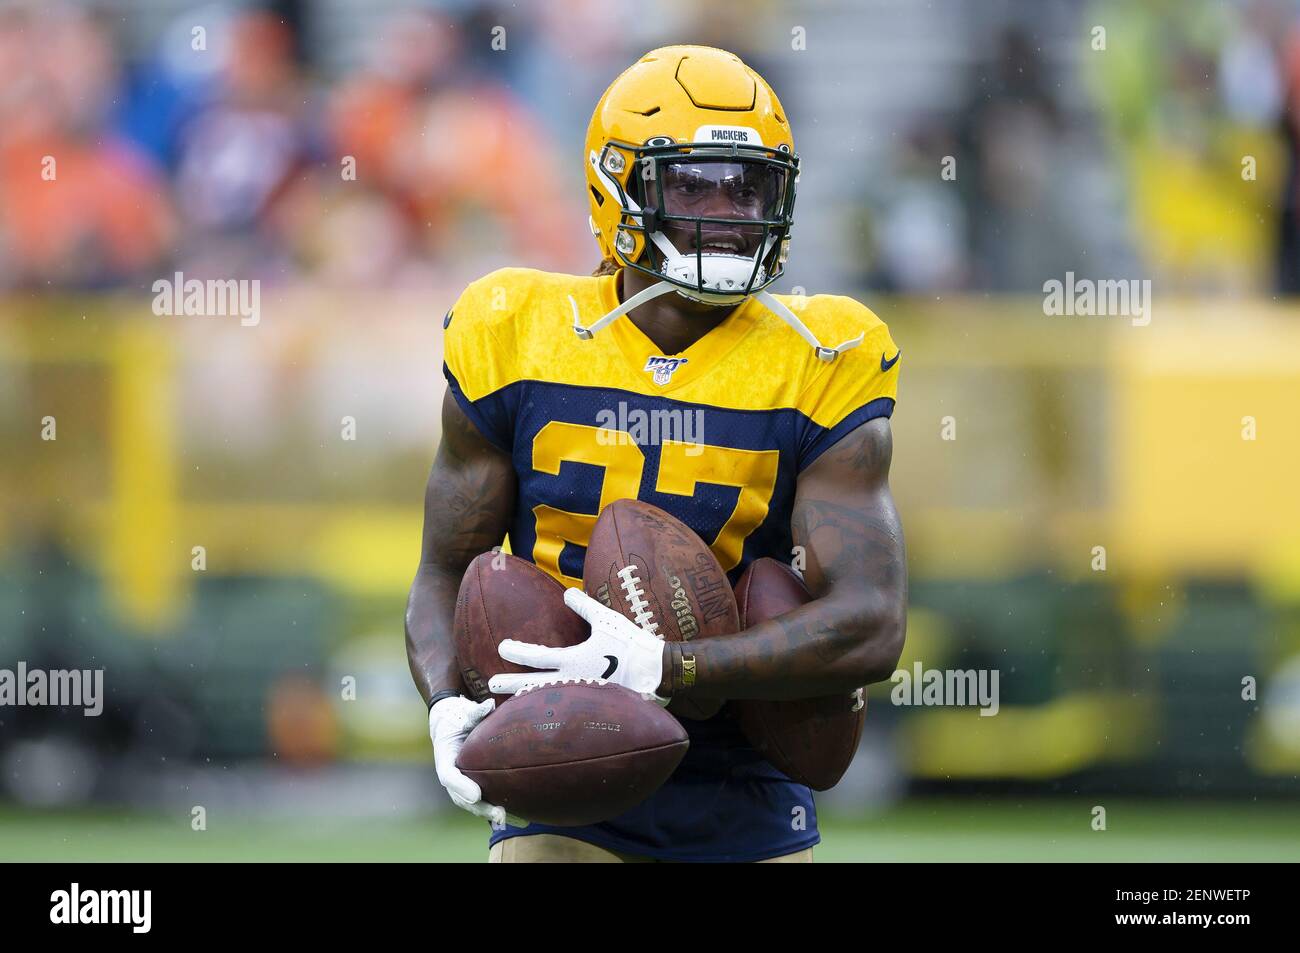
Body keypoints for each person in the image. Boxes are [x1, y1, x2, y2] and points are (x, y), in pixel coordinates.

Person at [406, 45, 907, 863]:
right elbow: (443, 569)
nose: (726, 209)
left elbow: (874, 622)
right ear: (618, 189)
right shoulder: (514, 329)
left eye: (748, 185)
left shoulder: (822, 353)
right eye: (692, 183)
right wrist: (443, 703)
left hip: (742, 757)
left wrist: (671, 664)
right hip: (562, 740)